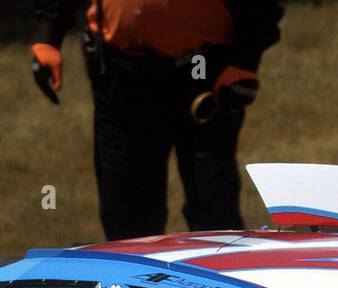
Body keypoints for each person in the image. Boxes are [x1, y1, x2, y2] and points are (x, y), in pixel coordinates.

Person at [32, 0, 283, 241]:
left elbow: (261, 6)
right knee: (127, 217)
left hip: (204, 75)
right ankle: (134, 282)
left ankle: (221, 279)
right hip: (123, 78)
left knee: (213, 209)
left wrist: (246, 62)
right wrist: (48, 36)